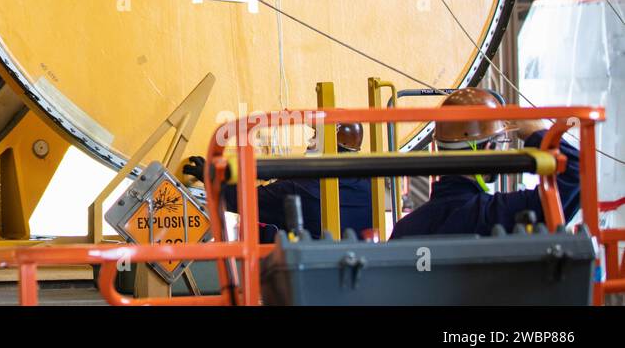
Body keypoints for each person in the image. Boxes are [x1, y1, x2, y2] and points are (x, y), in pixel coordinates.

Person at [390, 87, 580, 239]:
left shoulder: (405, 230)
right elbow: (578, 173)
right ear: (489, 148)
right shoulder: (500, 216)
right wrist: (538, 134)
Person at [184, 123, 374, 242]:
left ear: (327, 144)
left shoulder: (298, 190)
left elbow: (243, 200)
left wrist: (211, 178)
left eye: (315, 137)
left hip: (309, 276)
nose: (309, 141)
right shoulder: (370, 186)